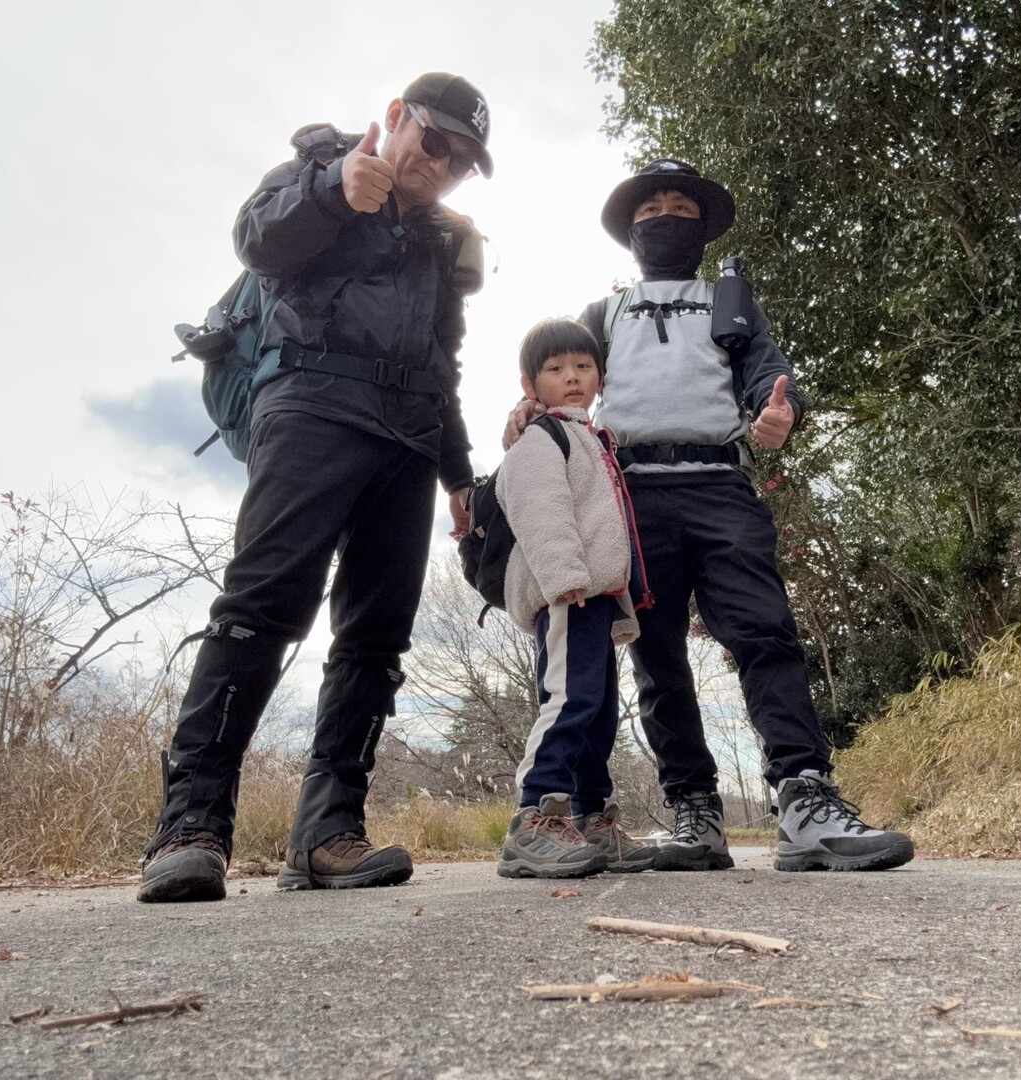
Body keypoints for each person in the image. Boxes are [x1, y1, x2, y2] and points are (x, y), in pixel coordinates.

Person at [139, 72, 494, 903]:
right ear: (398, 117)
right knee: (261, 604)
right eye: (435, 140)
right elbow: (255, 240)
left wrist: (458, 474)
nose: (442, 164)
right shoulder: (319, 171)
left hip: (407, 436)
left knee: (377, 635)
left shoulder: (443, 243)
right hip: (309, 409)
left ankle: (327, 832)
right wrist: (335, 192)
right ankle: (190, 827)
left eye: (463, 159)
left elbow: (444, 365)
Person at [505, 160, 914, 873]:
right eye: (650, 207)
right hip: (628, 495)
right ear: (630, 233)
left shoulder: (732, 305)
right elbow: (562, 382)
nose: (664, 216)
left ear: (702, 229)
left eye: (680, 207)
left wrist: (780, 413)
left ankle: (804, 795)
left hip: (721, 483)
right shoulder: (603, 316)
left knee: (763, 630)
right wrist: (528, 415)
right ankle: (695, 812)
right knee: (656, 656)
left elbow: (769, 377)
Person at [494, 319, 659, 879]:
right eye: (556, 369)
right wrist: (564, 575)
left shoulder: (592, 437)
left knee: (599, 710)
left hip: (597, 593)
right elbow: (541, 511)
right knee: (567, 700)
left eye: (583, 367)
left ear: (601, 377)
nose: (571, 377)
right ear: (529, 382)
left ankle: (591, 816)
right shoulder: (543, 439)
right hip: (569, 591)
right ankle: (536, 813)